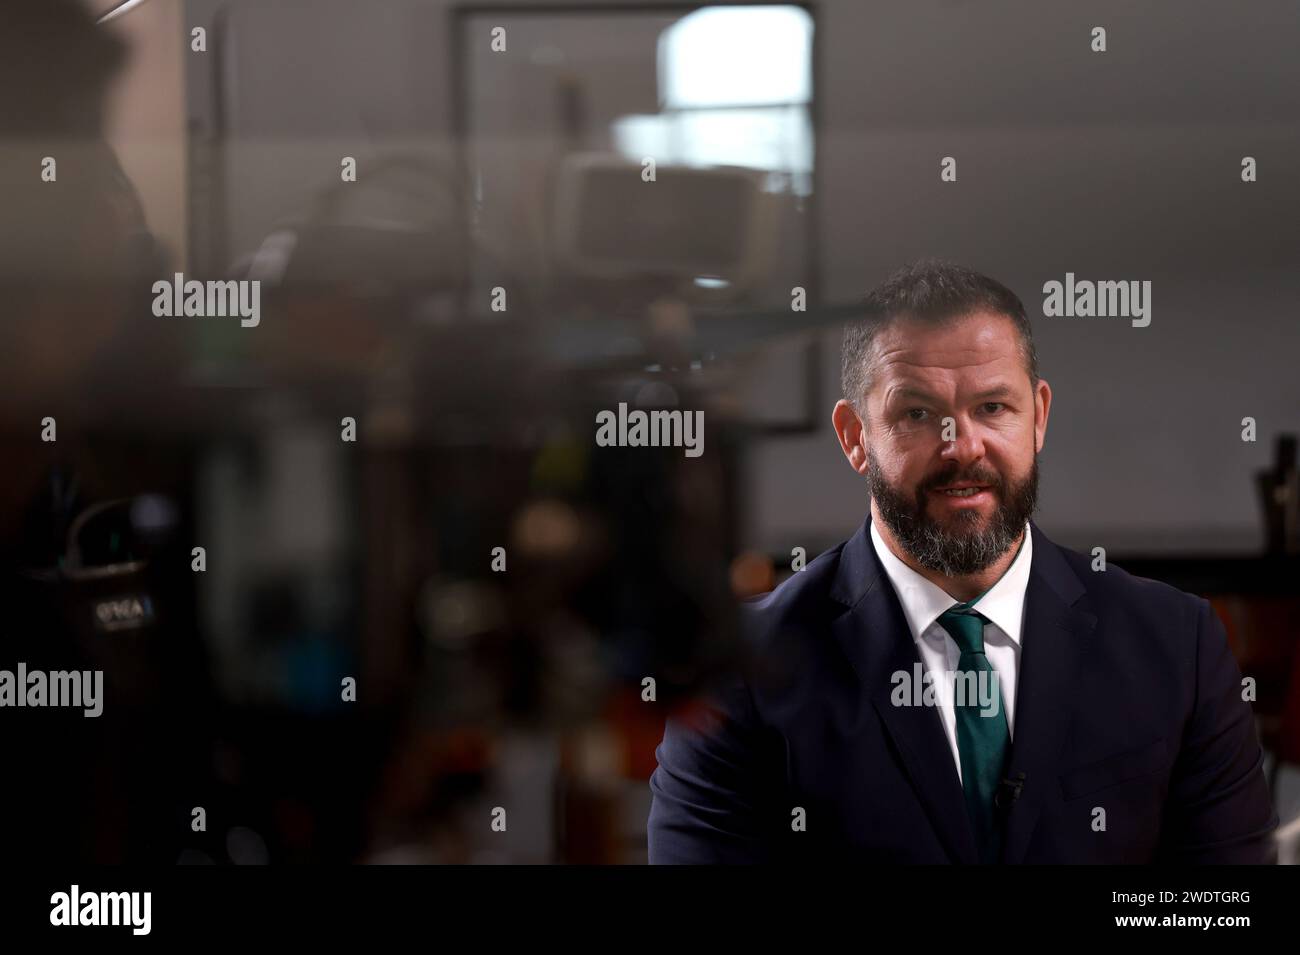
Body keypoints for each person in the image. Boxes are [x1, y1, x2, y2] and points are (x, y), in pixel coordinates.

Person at [647, 260, 1277, 863]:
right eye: (917, 413)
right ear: (854, 437)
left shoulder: (1176, 646)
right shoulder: (740, 674)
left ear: (1039, 417)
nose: (962, 447)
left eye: (993, 408)